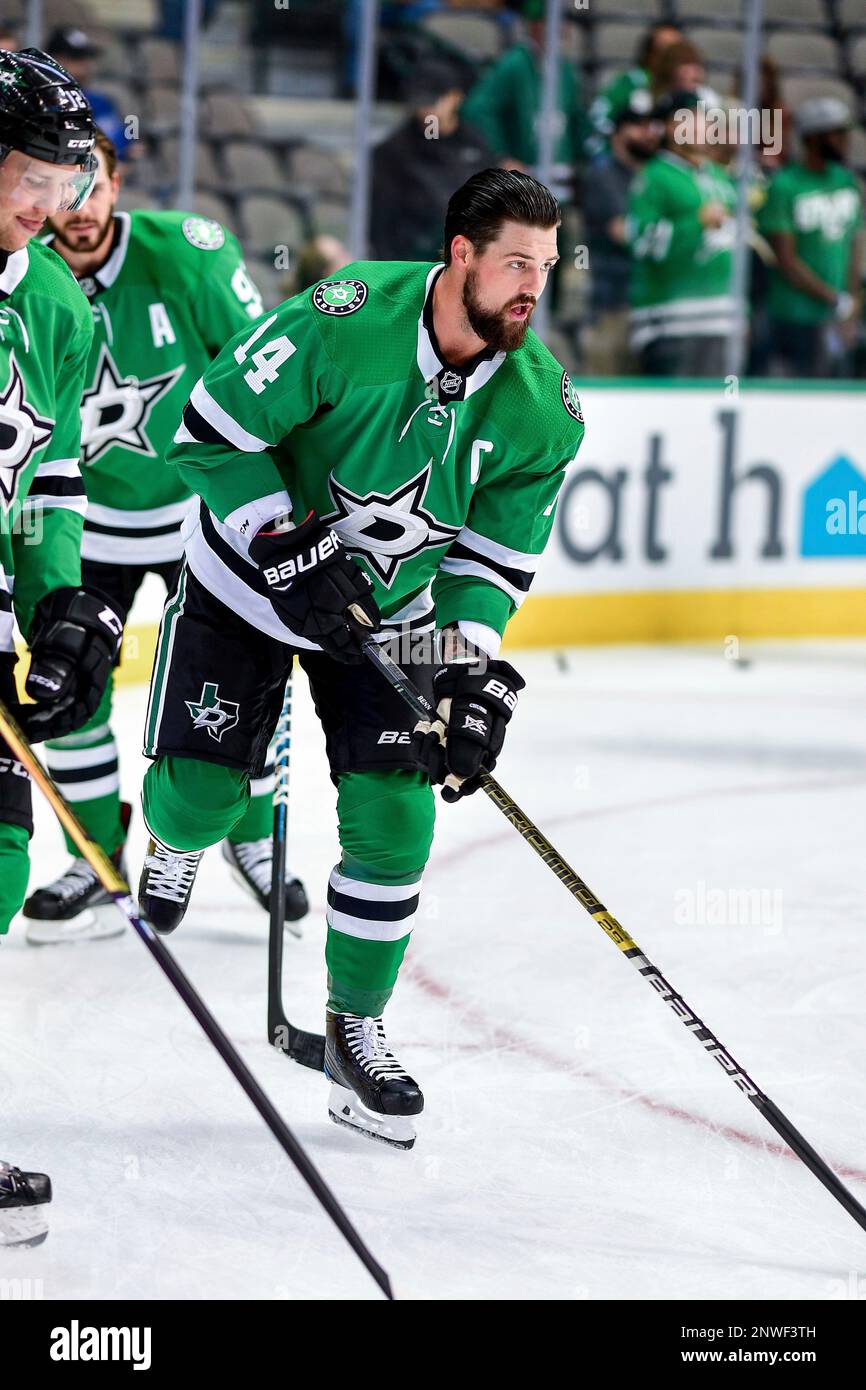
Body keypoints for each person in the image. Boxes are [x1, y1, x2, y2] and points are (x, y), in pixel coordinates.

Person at [135, 168, 585, 1150]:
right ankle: (175, 839)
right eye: (513, 262)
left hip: (391, 615)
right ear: (457, 255)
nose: (530, 287)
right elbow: (201, 429)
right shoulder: (342, 319)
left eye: (544, 268)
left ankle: (353, 1035)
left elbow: (490, 558)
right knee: (203, 795)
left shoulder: (540, 405)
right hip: (246, 584)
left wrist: (466, 673)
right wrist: (280, 533)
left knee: (396, 814)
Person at [26, 131, 308, 943]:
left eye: (94, 189)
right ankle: (97, 852)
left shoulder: (190, 254)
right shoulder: (24, 274)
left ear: (121, 185)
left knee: (240, 680)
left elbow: (263, 372)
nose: (79, 213)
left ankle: (251, 839)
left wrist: (282, 501)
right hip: (80, 517)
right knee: (65, 682)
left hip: (199, 515)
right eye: (62, 194)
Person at [0, 47, 123, 1246]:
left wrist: (58, 605)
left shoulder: (50, 301)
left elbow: (45, 472)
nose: (50, 205)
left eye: (63, 179)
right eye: (29, 175)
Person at [627, 90, 737, 377]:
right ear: (672, 126)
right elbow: (643, 240)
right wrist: (696, 223)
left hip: (722, 320)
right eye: (694, 118)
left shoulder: (719, 176)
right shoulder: (654, 176)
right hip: (672, 324)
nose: (705, 126)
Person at [759, 97, 864, 378]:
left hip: (837, 315)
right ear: (815, 137)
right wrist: (834, 299)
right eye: (837, 133)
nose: (845, 141)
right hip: (794, 317)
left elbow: (854, 247)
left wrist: (851, 303)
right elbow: (786, 260)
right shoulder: (785, 186)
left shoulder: (847, 182)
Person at [370, 55, 494, 263]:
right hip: (417, 265)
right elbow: (381, 225)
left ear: (455, 97)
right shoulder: (393, 151)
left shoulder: (476, 143)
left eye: (433, 101)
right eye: (420, 101)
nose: (426, 110)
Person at [460, 1, 590, 188]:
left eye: (565, 23)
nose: (564, 30)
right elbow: (477, 110)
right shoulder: (514, 63)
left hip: (561, 176)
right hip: (524, 179)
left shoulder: (565, 69)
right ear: (535, 26)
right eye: (555, 23)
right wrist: (501, 156)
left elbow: (577, 117)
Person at [582, 89, 659, 376]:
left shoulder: (653, 175)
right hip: (612, 303)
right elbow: (622, 231)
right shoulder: (604, 175)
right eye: (637, 126)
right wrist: (672, 233)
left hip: (647, 302)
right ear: (617, 134)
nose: (648, 133)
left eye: (650, 125)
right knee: (611, 379)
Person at [45, 26, 136, 161]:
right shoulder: (43, 102)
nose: (85, 65)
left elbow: (128, 143)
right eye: (76, 58)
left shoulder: (101, 102)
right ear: (54, 61)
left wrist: (132, 146)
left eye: (86, 58)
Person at [588, 21, 682, 153]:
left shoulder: (683, 88)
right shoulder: (632, 82)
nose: (669, 57)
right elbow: (598, 115)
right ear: (649, 52)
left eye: (676, 51)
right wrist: (617, 138)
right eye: (661, 49)